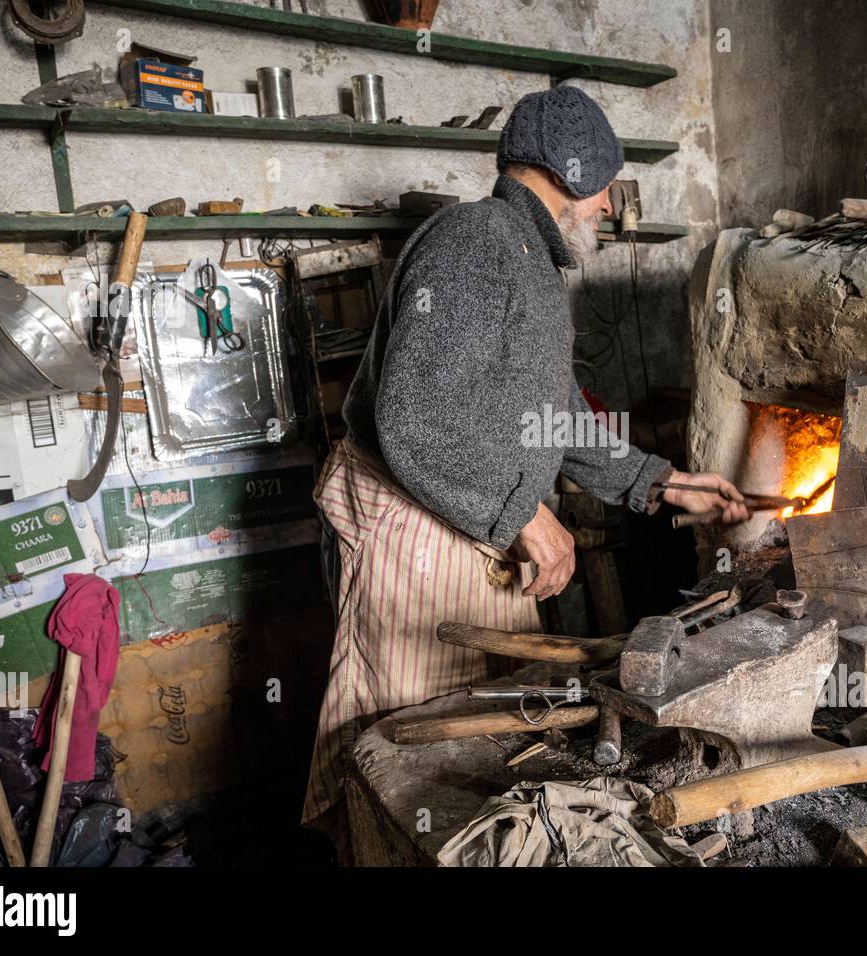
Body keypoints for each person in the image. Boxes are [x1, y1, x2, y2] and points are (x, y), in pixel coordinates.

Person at [303, 85, 748, 858]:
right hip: (420, 526)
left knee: (485, 738)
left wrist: (663, 481)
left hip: (462, 518)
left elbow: (552, 415)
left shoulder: (525, 258)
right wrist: (524, 517)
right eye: (606, 183)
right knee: (417, 746)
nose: (609, 205)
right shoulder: (477, 240)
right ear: (570, 175)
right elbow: (415, 420)